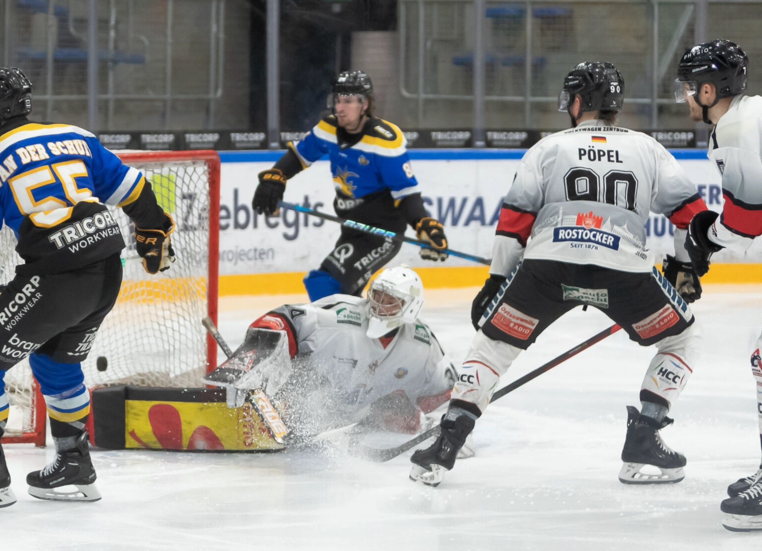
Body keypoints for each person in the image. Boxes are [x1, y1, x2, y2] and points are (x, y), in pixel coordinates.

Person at [0, 67, 176, 510]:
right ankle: (74, 464)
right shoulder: (75, 136)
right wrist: (154, 231)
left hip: (57, 278)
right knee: (56, 364)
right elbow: (134, 189)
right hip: (106, 270)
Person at [408, 62, 709, 488]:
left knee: (493, 345)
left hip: (547, 271)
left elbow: (515, 222)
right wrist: (684, 267)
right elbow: (692, 216)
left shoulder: (548, 148)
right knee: (683, 338)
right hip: (623, 273)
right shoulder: (648, 148)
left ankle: (446, 443)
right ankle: (646, 433)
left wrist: (496, 281)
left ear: (580, 101)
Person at [251, 70, 448, 301]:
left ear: (364, 104)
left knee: (325, 285)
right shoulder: (328, 129)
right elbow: (299, 156)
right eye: (337, 100)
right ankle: (362, 336)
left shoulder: (384, 140)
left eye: (347, 101)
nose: (340, 107)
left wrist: (423, 223)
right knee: (346, 298)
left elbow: (405, 192)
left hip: (381, 233)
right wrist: (275, 176)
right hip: (352, 228)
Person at [208, 267, 460, 444]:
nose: (379, 305)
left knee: (402, 414)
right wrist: (255, 356)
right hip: (290, 411)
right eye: (378, 295)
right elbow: (284, 319)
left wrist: (447, 429)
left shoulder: (422, 344)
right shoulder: (342, 314)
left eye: (391, 300)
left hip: (336, 428)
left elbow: (448, 392)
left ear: (411, 307)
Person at [674, 39, 762, 531]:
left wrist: (703, 238)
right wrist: (707, 242)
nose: (685, 97)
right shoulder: (752, 117)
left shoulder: (737, 127)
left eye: (690, 88)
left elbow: (748, 220)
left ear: (709, 89)